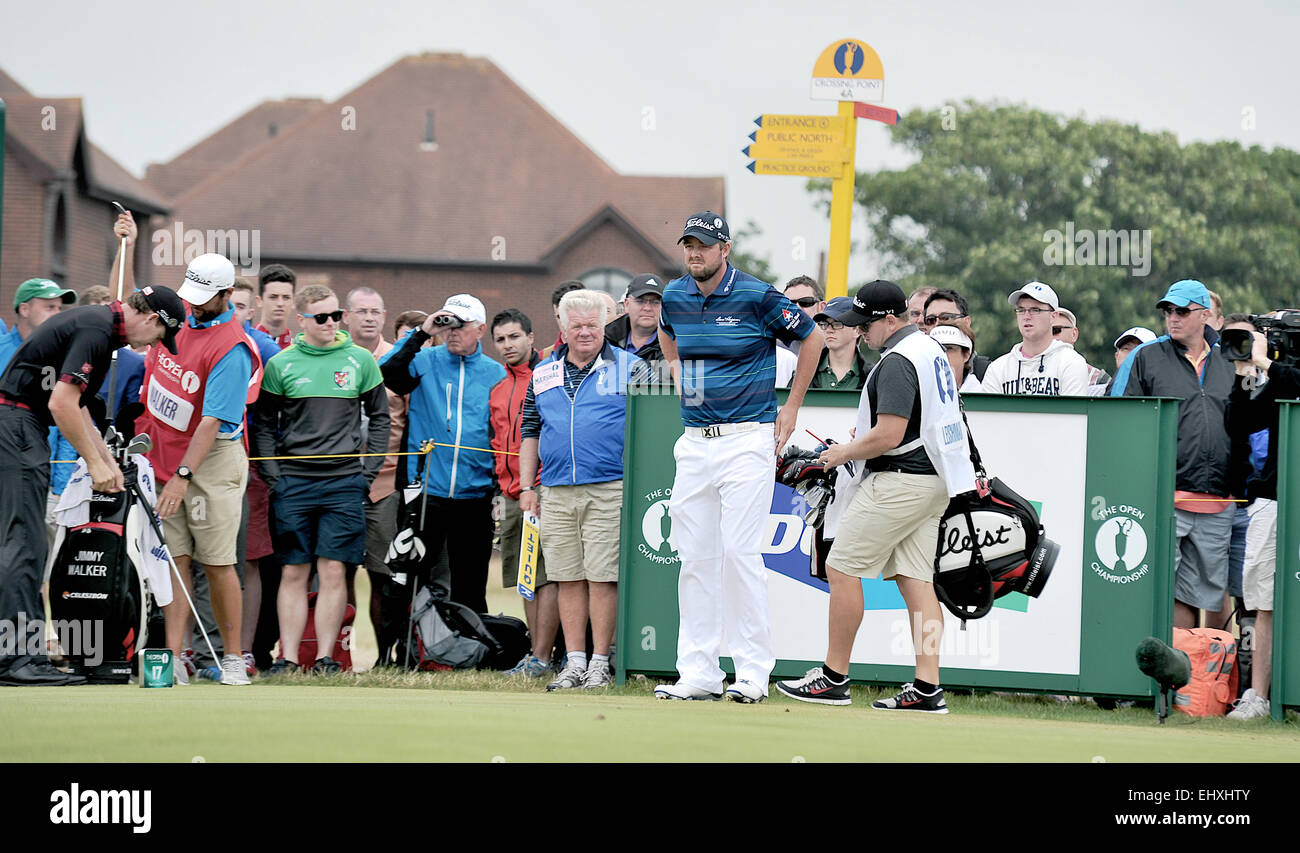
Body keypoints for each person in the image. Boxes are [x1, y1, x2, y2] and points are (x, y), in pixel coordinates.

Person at [776, 280, 974, 713]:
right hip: (935, 477)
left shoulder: (899, 359)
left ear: (890, 319)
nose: (861, 331)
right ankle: (927, 688)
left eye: (866, 323)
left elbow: (888, 434)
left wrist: (839, 454)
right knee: (916, 582)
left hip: (901, 479)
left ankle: (833, 677)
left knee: (841, 567)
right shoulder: (929, 349)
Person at [652, 211, 823, 704]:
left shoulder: (757, 294)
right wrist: (673, 367)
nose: (694, 254)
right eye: (688, 245)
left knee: (740, 554)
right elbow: (667, 330)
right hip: (694, 441)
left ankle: (752, 672)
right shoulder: (674, 295)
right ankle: (699, 672)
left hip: (748, 438)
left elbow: (810, 337)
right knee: (695, 559)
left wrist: (791, 407)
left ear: (724, 249)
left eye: (704, 246)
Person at [0, 284, 182, 685]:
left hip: (19, 426)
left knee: (28, 543)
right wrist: (97, 468)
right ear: (152, 319)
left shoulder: (100, 327)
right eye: (159, 336)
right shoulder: (98, 330)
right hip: (16, 426)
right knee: (23, 543)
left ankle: (20, 657)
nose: (153, 345)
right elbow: (60, 404)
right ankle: (16, 661)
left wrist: (104, 461)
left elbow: (79, 408)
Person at [137, 253, 263, 686]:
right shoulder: (175, 324)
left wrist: (182, 477)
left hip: (210, 462)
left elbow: (211, 421)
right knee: (173, 559)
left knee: (217, 561)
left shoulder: (234, 347)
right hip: (164, 456)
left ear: (229, 295)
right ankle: (174, 658)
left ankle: (231, 657)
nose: (195, 306)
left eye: (206, 299)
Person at [255, 285, 390, 675]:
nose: (331, 323)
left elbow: (380, 418)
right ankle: (289, 659)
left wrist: (367, 472)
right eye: (322, 317)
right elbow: (264, 425)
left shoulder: (360, 360)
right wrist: (274, 476)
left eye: (336, 315)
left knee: (334, 571)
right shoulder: (282, 364)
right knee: (294, 571)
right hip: (293, 482)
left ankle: (328, 659)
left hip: (345, 482)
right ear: (303, 320)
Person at [518, 292, 648, 690]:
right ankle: (573, 662)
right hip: (556, 490)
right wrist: (527, 486)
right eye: (577, 326)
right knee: (567, 577)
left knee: (603, 577)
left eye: (593, 324)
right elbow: (530, 430)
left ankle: (599, 662)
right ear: (563, 329)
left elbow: (653, 427)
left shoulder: (632, 367)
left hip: (611, 487)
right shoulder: (542, 372)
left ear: (605, 324)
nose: (585, 332)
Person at [1111, 280, 1235, 630]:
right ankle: (1165, 676)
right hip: (1166, 499)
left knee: (1211, 595)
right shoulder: (1146, 357)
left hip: (1218, 500)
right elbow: (1126, 422)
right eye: (1168, 311)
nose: (1172, 318)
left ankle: (1207, 679)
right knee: (1166, 591)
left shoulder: (1229, 357)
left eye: (1182, 311)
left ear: (1205, 315)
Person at [380, 294, 505, 614]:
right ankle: (405, 652)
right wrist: (422, 332)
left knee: (471, 579)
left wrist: (495, 485)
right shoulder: (426, 359)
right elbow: (387, 372)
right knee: (409, 574)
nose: (451, 332)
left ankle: (471, 647)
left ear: (479, 330)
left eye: (460, 326)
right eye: (447, 324)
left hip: (474, 493)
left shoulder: (496, 374)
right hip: (424, 490)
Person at [488, 308, 559, 678]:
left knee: (546, 578)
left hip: (544, 493)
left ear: (532, 338)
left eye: (514, 337)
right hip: (512, 496)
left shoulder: (549, 375)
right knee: (526, 577)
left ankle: (544, 656)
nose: (507, 345)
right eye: (500, 339)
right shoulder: (498, 389)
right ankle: (534, 654)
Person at [344, 287, 412, 667]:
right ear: (346, 316)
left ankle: (384, 654)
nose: (369, 318)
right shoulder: (334, 357)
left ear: (384, 317)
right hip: (337, 483)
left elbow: (409, 420)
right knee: (336, 574)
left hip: (384, 485)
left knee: (383, 576)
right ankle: (337, 653)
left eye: (375, 312)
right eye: (361, 311)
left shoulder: (397, 361)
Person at [229, 279, 281, 674]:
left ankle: (244, 650)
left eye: (242, 306)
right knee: (202, 560)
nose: (235, 312)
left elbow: (276, 418)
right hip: (204, 466)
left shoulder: (265, 351)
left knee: (249, 561)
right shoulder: (199, 341)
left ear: (253, 309)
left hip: (251, 471)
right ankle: (203, 647)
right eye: (228, 304)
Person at [980, 281, 1090, 396]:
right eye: (1021, 310)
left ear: (1053, 316)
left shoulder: (1071, 362)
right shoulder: (998, 368)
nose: (1026, 316)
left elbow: (1072, 413)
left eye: (1035, 310)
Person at [0, 278, 77, 368]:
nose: (58, 314)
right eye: (50, 307)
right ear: (24, 309)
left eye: (59, 308)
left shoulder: (67, 355)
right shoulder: (2, 349)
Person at [604, 273, 665, 378]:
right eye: (640, 301)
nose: (647, 308)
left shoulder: (676, 345)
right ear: (626, 304)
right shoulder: (604, 341)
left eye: (655, 302)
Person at [920, 289, 989, 381]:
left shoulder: (988, 373)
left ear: (966, 322)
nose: (937, 324)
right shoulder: (915, 372)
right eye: (930, 320)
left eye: (946, 317)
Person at [809, 297, 870, 390]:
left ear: (857, 330)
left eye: (837, 324)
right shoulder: (804, 373)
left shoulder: (872, 375)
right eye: (824, 324)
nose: (829, 330)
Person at [1054, 307, 1111, 394]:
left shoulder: (1098, 379)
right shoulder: (1028, 371)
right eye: (1045, 331)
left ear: (1074, 334)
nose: (1049, 336)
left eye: (1056, 330)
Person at [929, 322, 982, 393]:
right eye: (936, 348)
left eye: (949, 348)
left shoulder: (980, 395)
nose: (942, 354)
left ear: (966, 355)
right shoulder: (918, 391)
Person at [539, 281, 586, 359]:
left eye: (573, 316)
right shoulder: (543, 357)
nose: (565, 323)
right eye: (560, 316)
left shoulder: (608, 353)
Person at [256, 264, 298, 350]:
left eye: (286, 297)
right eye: (273, 297)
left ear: (294, 302)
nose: (280, 303)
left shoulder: (297, 350)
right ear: (259, 301)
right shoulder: (246, 343)